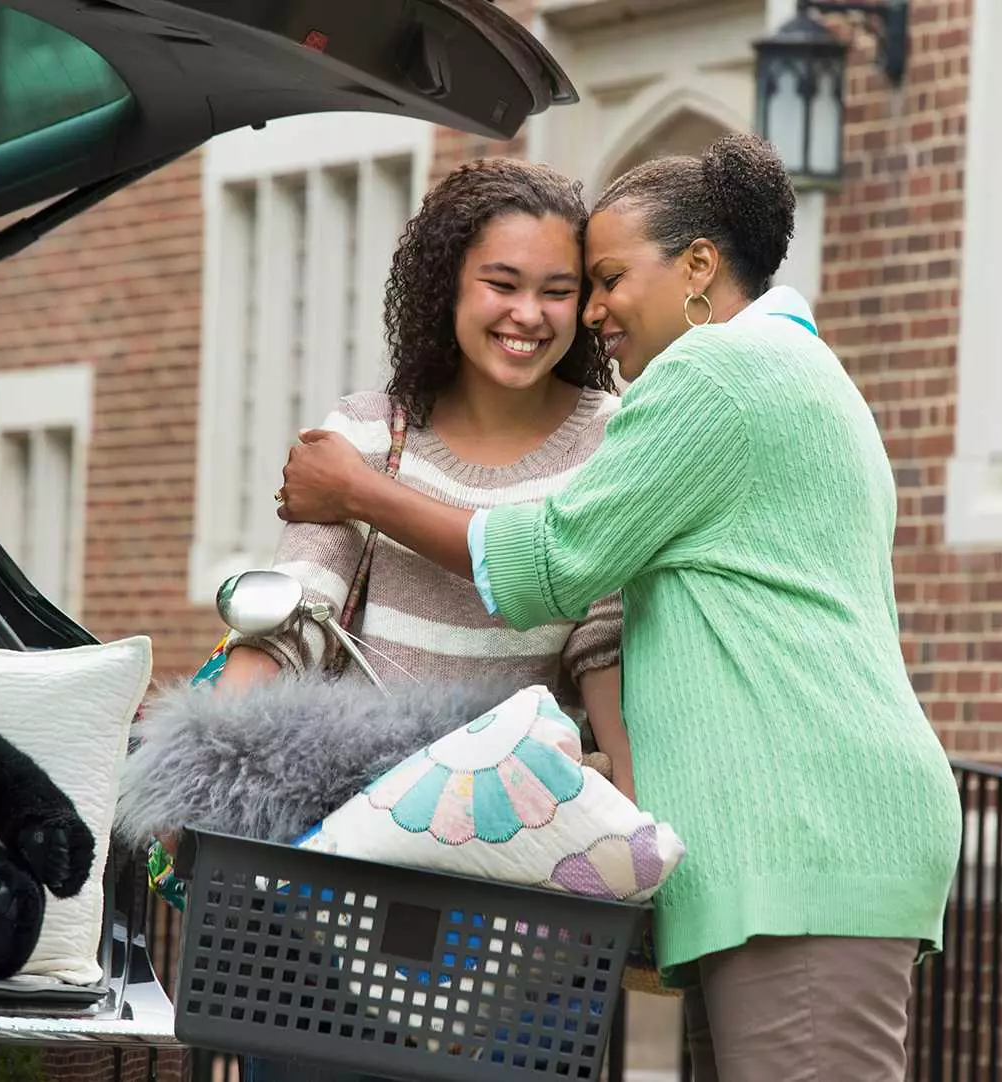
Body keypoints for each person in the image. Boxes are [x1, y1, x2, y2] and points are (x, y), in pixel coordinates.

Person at [274, 133, 964, 1082]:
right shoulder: (788, 371)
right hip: (798, 839)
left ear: (697, 267)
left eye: (602, 279)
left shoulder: (717, 374)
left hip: (804, 830)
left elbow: (552, 561)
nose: (591, 311)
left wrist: (360, 492)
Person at [206, 158, 630, 1082]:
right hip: (350, 871)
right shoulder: (366, 432)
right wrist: (214, 778)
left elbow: (606, 644)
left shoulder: (614, 440)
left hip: (522, 881)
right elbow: (295, 620)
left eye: (558, 290)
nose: (529, 314)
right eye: (503, 283)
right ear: (448, 285)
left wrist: (633, 840)